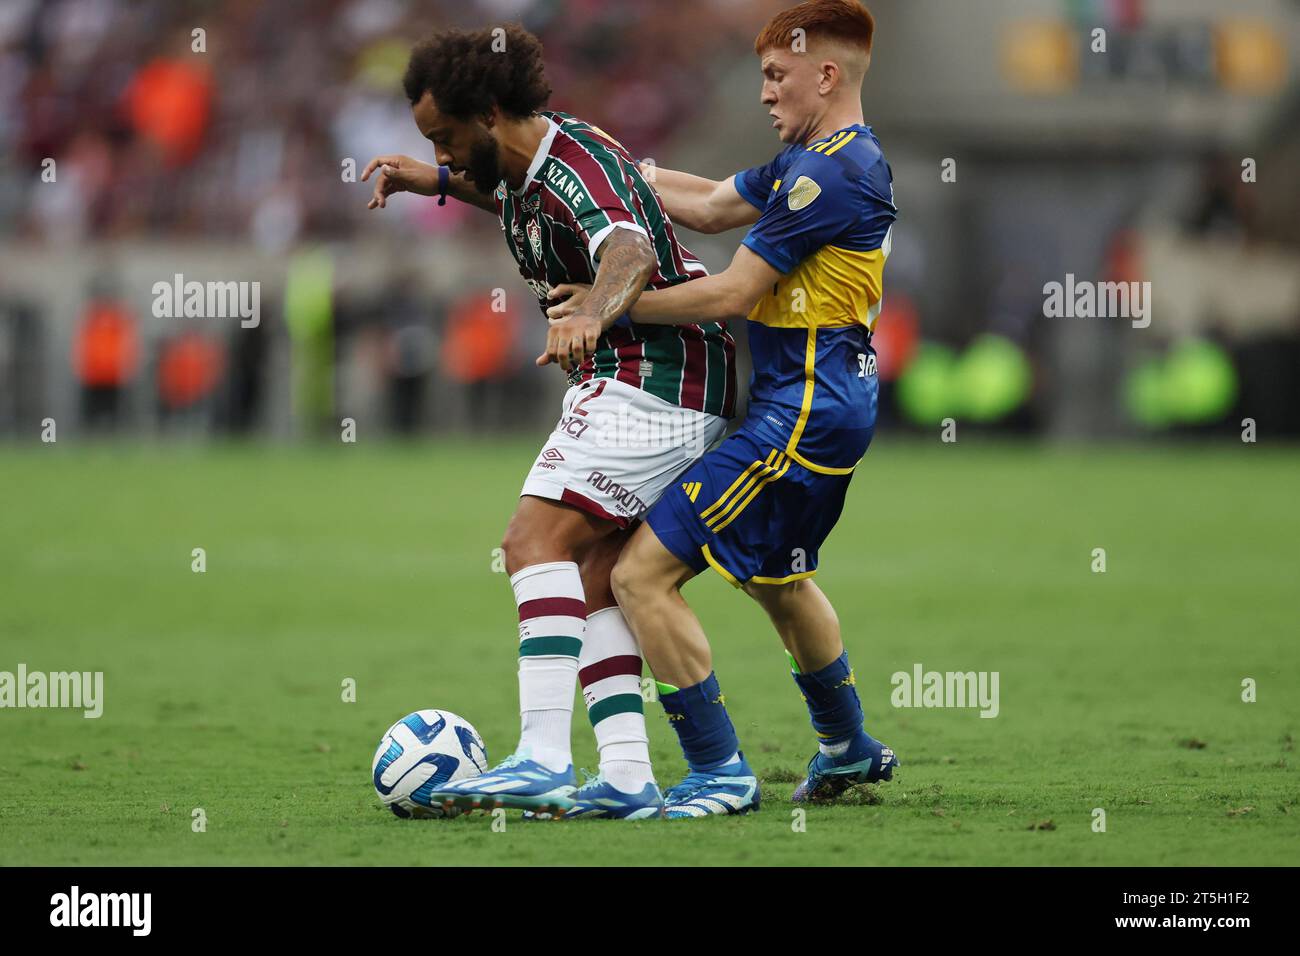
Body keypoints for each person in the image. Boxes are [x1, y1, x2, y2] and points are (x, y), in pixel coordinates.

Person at [362, 24, 735, 819]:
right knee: (597, 579)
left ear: (491, 112)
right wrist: (426, 177)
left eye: (444, 136)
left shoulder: (580, 167)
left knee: (530, 543)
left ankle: (540, 754)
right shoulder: (524, 164)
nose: (445, 150)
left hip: (658, 378)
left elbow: (629, 250)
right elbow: (493, 186)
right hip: (655, 381)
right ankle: (629, 774)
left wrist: (592, 315)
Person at [544, 0, 898, 817]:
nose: (766, 94)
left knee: (640, 574)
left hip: (800, 412)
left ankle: (717, 772)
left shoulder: (830, 174)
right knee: (780, 577)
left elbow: (737, 293)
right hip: (829, 405)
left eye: (777, 77)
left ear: (827, 74)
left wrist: (607, 308)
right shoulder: (821, 158)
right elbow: (703, 205)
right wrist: (603, 166)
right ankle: (848, 749)